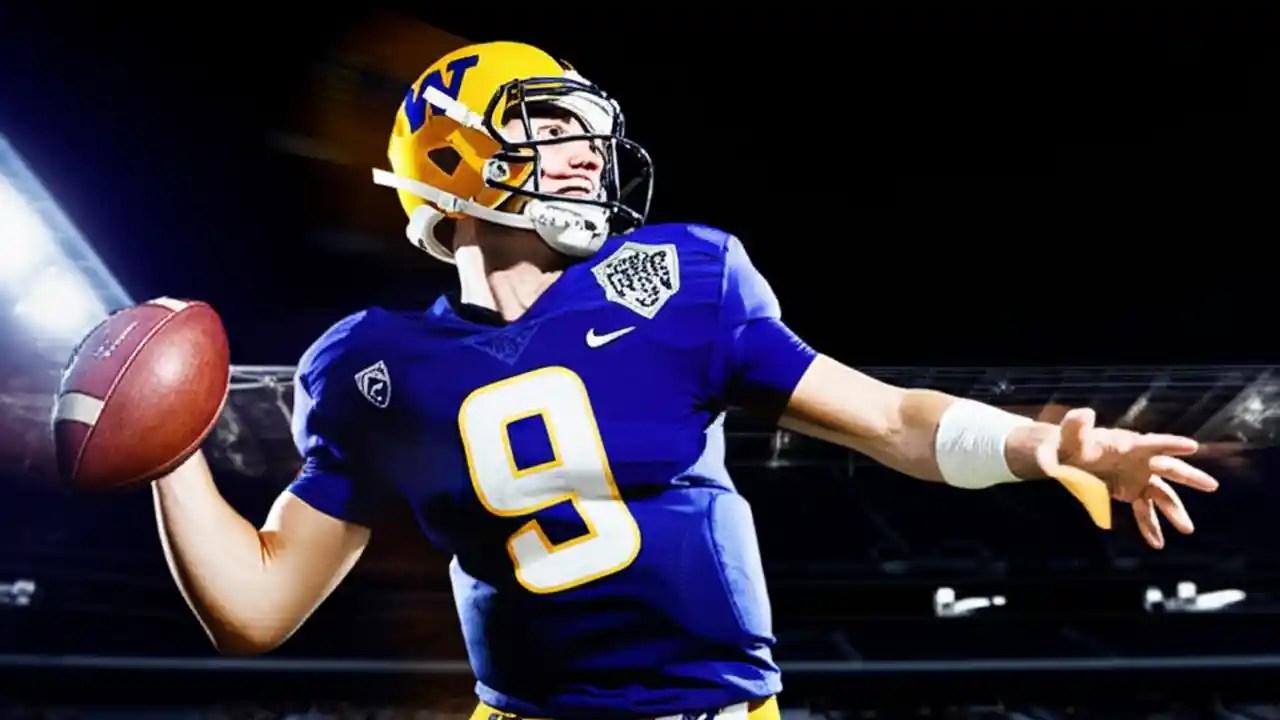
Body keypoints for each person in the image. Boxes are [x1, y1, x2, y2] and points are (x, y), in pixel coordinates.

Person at [151, 40, 1221, 720]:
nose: (587, 152)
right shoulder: (371, 364)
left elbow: (892, 420)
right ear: (449, 160)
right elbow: (256, 610)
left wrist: (1042, 448)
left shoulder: (679, 279)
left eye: (589, 131)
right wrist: (165, 444)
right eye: (550, 128)